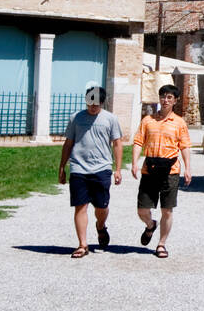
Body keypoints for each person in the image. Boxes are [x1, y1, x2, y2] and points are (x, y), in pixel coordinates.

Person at [57, 86, 123, 258]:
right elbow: (68, 143)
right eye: (90, 103)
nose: (92, 107)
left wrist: (117, 169)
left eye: (96, 103)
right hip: (78, 167)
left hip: (101, 168)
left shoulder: (110, 119)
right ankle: (82, 245)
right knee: (80, 206)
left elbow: (117, 144)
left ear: (102, 102)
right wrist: (62, 167)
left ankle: (101, 226)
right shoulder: (76, 118)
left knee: (102, 206)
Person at [131, 84, 192, 259]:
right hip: (149, 169)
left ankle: (161, 244)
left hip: (170, 171)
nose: (165, 100)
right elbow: (138, 142)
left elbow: (185, 146)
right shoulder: (147, 120)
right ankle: (150, 225)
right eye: (163, 97)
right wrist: (134, 163)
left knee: (167, 210)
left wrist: (187, 168)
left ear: (175, 101)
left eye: (169, 98)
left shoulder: (179, 122)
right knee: (142, 209)